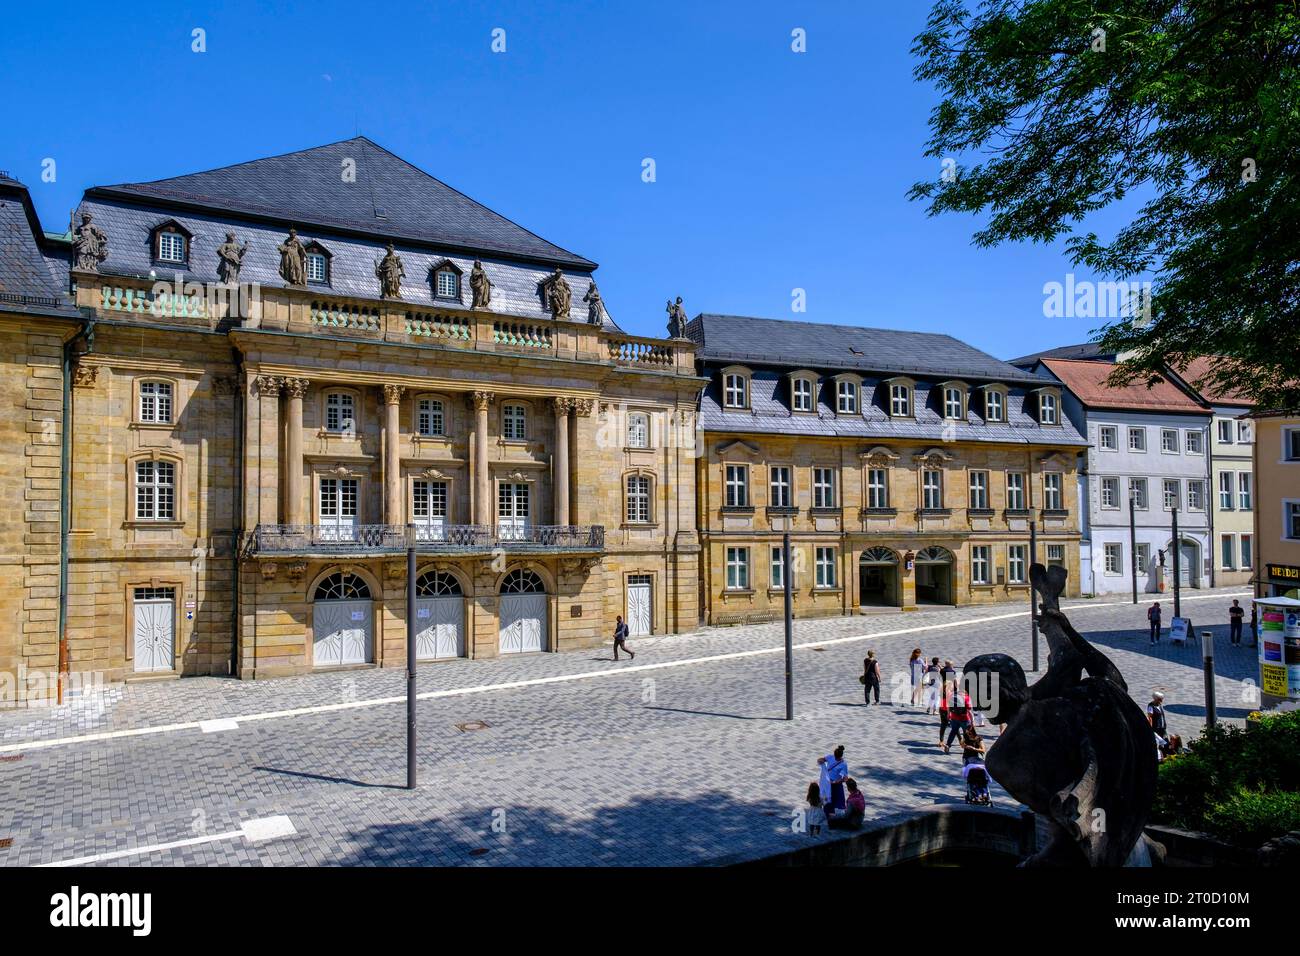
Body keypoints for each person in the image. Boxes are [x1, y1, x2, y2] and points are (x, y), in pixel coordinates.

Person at [818, 746, 848, 815]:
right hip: (828, 783)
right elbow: (821, 759)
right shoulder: (830, 757)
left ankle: (833, 814)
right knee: (828, 798)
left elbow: (845, 778)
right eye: (836, 757)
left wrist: (835, 782)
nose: (836, 759)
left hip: (836, 785)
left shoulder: (843, 764)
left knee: (835, 800)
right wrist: (820, 761)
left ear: (841, 756)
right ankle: (827, 812)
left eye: (838, 758)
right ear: (834, 755)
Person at [943, 684, 973, 754]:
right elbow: (969, 710)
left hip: (954, 718)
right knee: (967, 734)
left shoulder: (953, 696)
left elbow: (948, 706)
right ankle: (967, 749)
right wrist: (972, 721)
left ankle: (948, 745)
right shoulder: (966, 697)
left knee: (953, 732)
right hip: (964, 718)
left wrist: (948, 715)